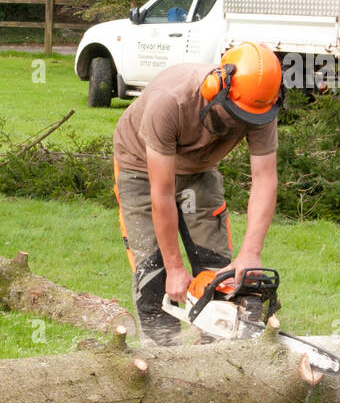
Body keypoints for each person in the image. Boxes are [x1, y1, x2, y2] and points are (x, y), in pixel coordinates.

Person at [111, 42, 282, 345]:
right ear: (218, 87)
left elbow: (265, 178)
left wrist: (250, 254)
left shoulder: (259, 106)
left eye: (248, 118)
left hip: (200, 171)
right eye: (234, 114)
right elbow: (160, 193)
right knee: (155, 276)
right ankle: (163, 357)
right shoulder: (169, 102)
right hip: (139, 167)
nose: (240, 124)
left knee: (221, 275)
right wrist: (175, 268)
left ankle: (217, 355)